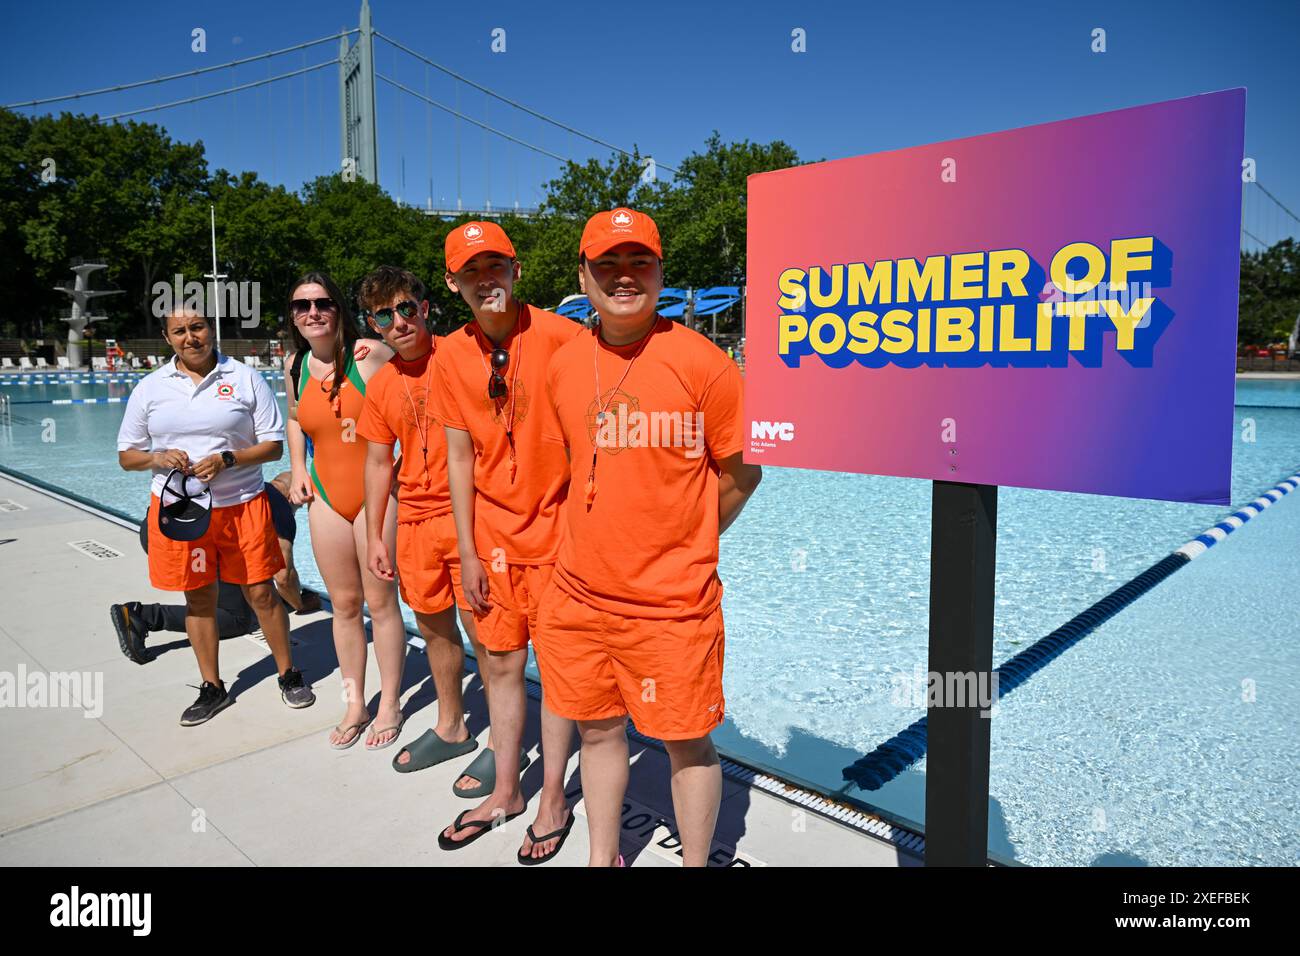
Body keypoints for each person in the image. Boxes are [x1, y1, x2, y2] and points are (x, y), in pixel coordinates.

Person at [535, 208, 762, 866]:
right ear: (584, 275)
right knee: (598, 729)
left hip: (670, 604)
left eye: (639, 262)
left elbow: (743, 472)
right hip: (578, 598)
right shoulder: (566, 364)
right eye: (607, 264)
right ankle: (602, 857)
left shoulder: (706, 365)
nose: (623, 276)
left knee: (687, 741)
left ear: (661, 272)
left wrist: (684, 535)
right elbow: (568, 474)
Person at [431, 222, 581, 862]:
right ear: (453, 282)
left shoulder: (566, 338)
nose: (486, 279)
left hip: (558, 541)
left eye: (496, 266)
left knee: (563, 677)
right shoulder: (448, 356)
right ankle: (506, 791)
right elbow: (458, 459)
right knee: (498, 664)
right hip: (490, 543)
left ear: (517, 271)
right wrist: (465, 550)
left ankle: (551, 799)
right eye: (472, 270)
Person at [116, 307, 316, 726]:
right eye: (180, 331)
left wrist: (229, 458)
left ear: (211, 330)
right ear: (168, 338)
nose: (190, 337)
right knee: (198, 598)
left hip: (242, 504)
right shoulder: (150, 388)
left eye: (197, 327)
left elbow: (274, 446)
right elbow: (126, 456)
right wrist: (156, 457)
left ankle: (288, 673)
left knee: (261, 594)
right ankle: (213, 687)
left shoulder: (244, 378)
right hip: (182, 511)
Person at [355, 266, 478, 775]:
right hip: (414, 526)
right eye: (386, 315)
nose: (399, 322)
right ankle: (453, 726)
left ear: (425, 308)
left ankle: (504, 744)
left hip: (470, 517)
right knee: (434, 630)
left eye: (407, 308)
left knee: (489, 635)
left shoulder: (461, 355)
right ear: (374, 323)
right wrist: (374, 537)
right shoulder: (382, 385)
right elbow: (379, 461)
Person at [284, 272, 406, 750]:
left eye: (322, 303)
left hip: (378, 497)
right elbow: (296, 419)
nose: (312, 312)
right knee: (346, 606)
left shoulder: (371, 356)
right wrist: (297, 469)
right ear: (293, 317)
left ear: (338, 309)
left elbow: (416, 388)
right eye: (301, 306)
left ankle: (391, 702)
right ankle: (356, 702)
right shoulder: (294, 365)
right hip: (327, 497)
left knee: (381, 603)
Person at [109, 473, 321, 665]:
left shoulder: (254, 487)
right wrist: (299, 603)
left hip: (157, 528)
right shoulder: (281, 508)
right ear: (295, 497)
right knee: (236, 619)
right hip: (187, 541)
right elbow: (283, 577)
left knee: (230, 585)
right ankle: (142, 616)